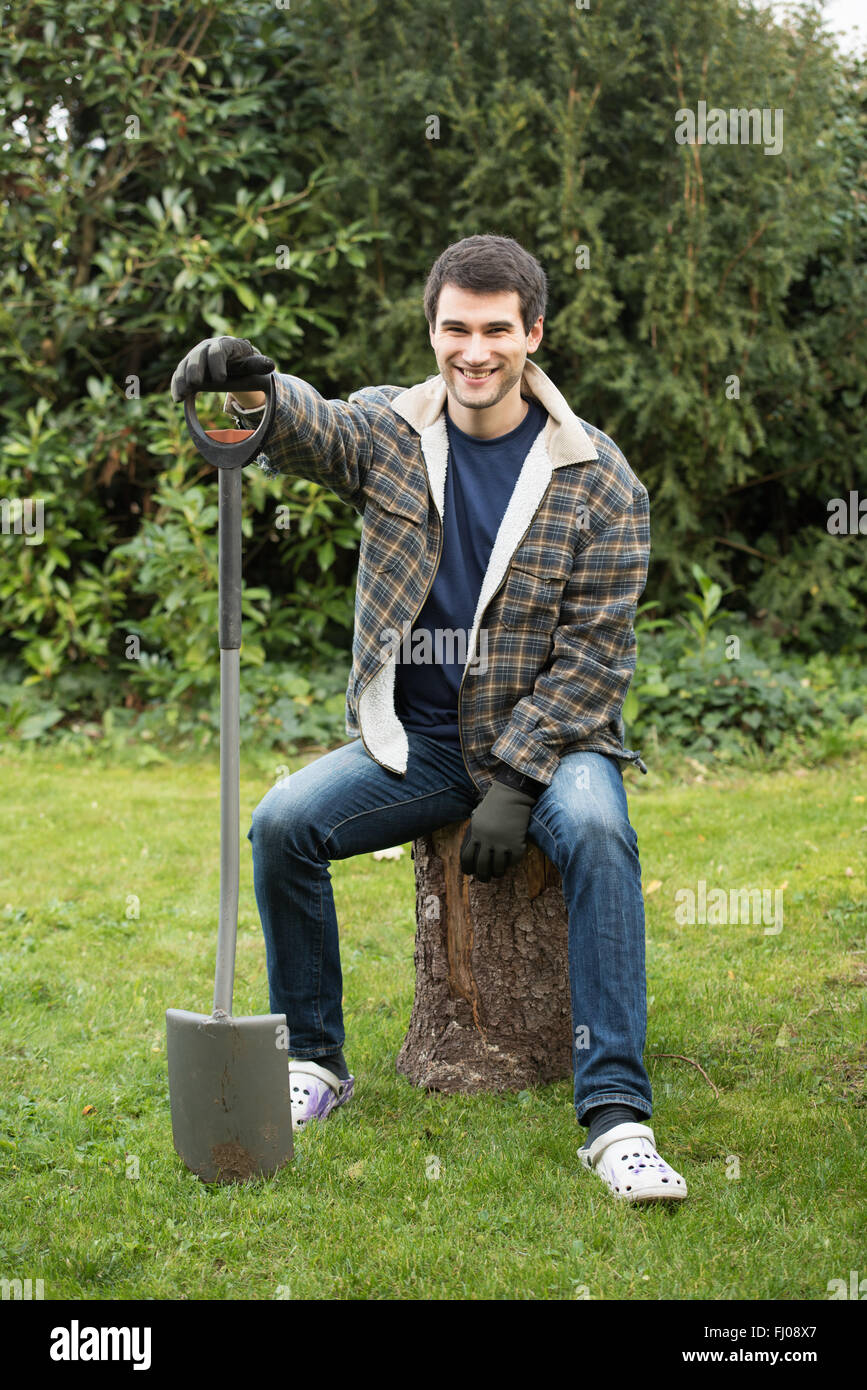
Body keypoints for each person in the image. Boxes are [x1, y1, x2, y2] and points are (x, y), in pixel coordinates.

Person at [171, 233, 687, 1203]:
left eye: (499, 329)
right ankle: (316, 1062)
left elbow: (597, 660)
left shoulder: (601, 479)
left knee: (602, 835)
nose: (476, 350)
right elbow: (305, 427)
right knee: (284, 821)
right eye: (458, 327)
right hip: (424, 747)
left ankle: (617, 1117)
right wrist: (251, 387)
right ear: (434, 328)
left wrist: (523, 778)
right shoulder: (390, 432)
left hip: (553, 738)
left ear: (533, 332)